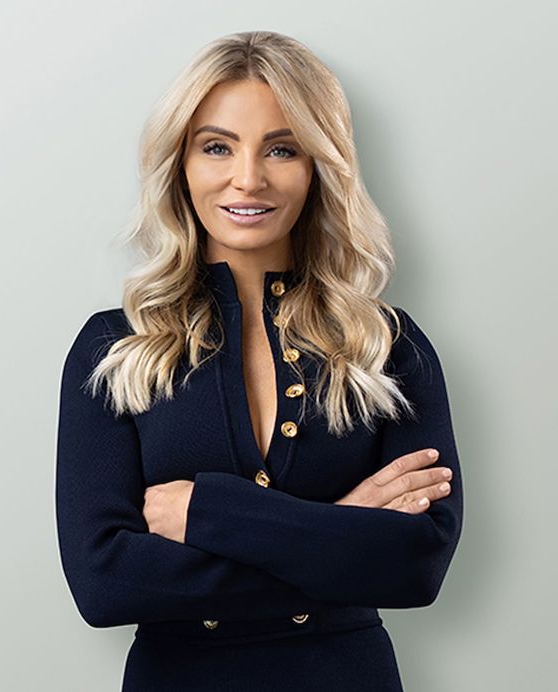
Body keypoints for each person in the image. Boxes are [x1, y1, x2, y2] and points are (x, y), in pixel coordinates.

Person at [55, 30, 463, 692]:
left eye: (282, 148)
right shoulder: (114, 349)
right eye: (217, 147)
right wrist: (343, 531)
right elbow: (105, 585)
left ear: (320, 165)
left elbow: (417, 568)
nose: (248, 178)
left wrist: (207, 512)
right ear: (180, 164)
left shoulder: (387, 346)